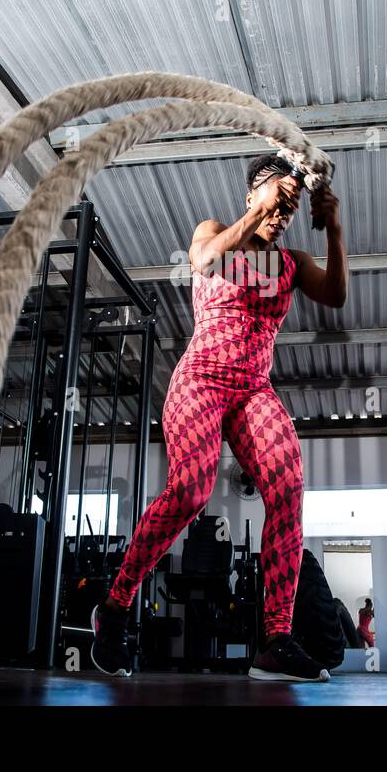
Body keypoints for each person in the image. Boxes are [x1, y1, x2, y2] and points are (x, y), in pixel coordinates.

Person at [91, 153, 347, 681]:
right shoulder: (214, 230)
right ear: (253, 194)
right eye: (276, 199)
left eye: (290, 207)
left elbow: (337, 295)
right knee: (190, 492)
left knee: (289, 487)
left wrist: (335, 230)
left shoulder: (293, 262)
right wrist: (258, 215)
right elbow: (205, 259)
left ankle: (276, 640)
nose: (283, 212)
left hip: (253, 388)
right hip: (200, 379)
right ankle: (114, 609)